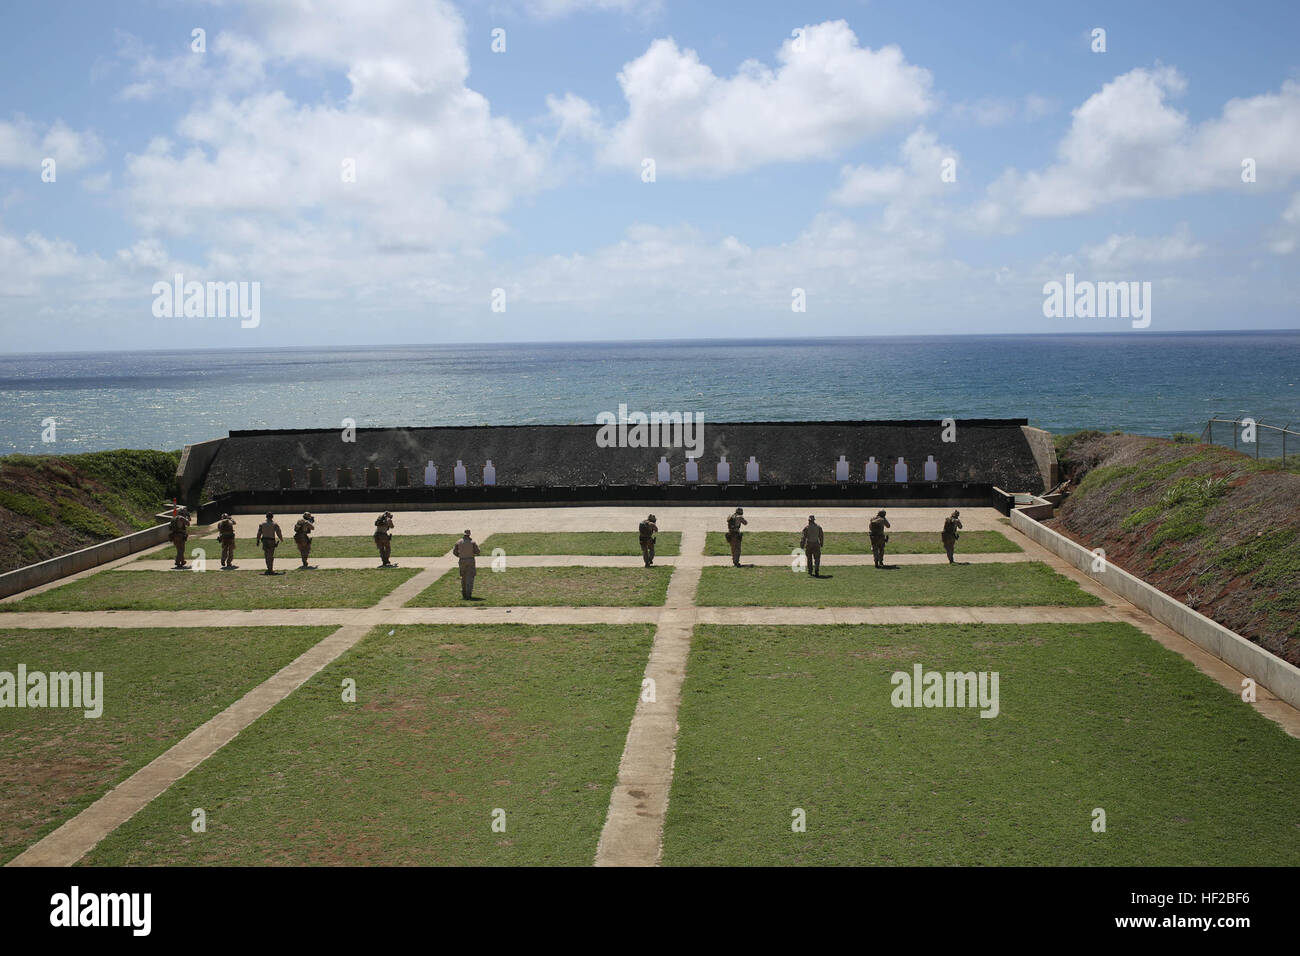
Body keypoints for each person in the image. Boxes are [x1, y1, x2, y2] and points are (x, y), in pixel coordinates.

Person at [453, 529, 481, 599]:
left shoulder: (459, 542)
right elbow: (477, 551)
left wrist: (460, 555)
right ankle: (469, 594)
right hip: (470, 560)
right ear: (469, 534)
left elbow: (454, 552)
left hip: (462, 560)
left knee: (463, 577)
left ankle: (464, 593)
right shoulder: (472, 542)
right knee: (470, 577)